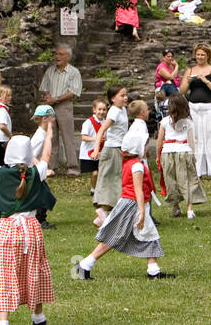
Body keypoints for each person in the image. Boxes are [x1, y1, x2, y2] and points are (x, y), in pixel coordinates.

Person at [0, 130, 56, 325]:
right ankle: (39, 317)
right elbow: (46, 157)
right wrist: (48, 137)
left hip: (6, 229)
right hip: (31, 228)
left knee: (4, 274)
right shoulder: (36, 171)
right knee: (34, 271)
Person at [73, 118, 172, 280]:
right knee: (115, 236)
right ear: (138, 147)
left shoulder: (129, 162)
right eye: (145, 145)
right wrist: (141, 212)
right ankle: (85, 264)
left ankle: (153, 270)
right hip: (132, 205)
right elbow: (138, 191)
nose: (147, 148)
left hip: (134, 203)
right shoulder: (136, 166)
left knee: (149, 234)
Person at [158, 93, 205, 219]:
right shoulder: (188, 122)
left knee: (171, 180)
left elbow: (159, 140)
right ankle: (190, 209)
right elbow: (191, 141)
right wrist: (193, 155)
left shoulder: (164, 122)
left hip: (168, 152)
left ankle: (176, 206)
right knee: (187, 179)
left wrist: (158, 155)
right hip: (184, 151)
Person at [180, 45, 211, 179]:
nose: (199, 57)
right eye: (198, 54)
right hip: (194, 107)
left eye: (202, 55)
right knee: (196, 138)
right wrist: (187, 82)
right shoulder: (190, 70)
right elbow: (182, 91)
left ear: (208, 56)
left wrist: (205, 81)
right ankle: (197, 170)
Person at [39, 45, 82, 176]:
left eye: (60, 54)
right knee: (51, 137)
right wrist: (47, 97)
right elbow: (44, 87)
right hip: (50, 107)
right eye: (56, 54)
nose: (57, 57)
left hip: (64, 106)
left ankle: (73, 167)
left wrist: (56, 99)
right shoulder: (50, 71)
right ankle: (52, 167)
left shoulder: (74, 72)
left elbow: (74, 92)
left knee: (68, 137)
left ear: (68, 57)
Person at [90, 86, 129, 224]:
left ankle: (103, 215)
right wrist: (96, 150)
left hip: (119, 150)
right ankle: (103, 211)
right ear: (113, 99)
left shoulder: (122, 109)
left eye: (125, 95)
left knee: (117, 182)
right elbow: (101, 131)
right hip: (111, 151)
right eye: (121, 95)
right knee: (110, 181)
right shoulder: (114, 112)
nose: (125, 98)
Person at [80, 98, 106, 195]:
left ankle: (99, 189)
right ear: (94, 110)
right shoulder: (88, 122)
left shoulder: (106, 122)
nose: (101, 112)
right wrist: (96, 139)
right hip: (89, 151)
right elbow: (83, 137)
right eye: (99, 109)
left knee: (101, 172)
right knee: (95, 173)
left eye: (104, 110)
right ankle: (93, 189)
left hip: (101, 151)